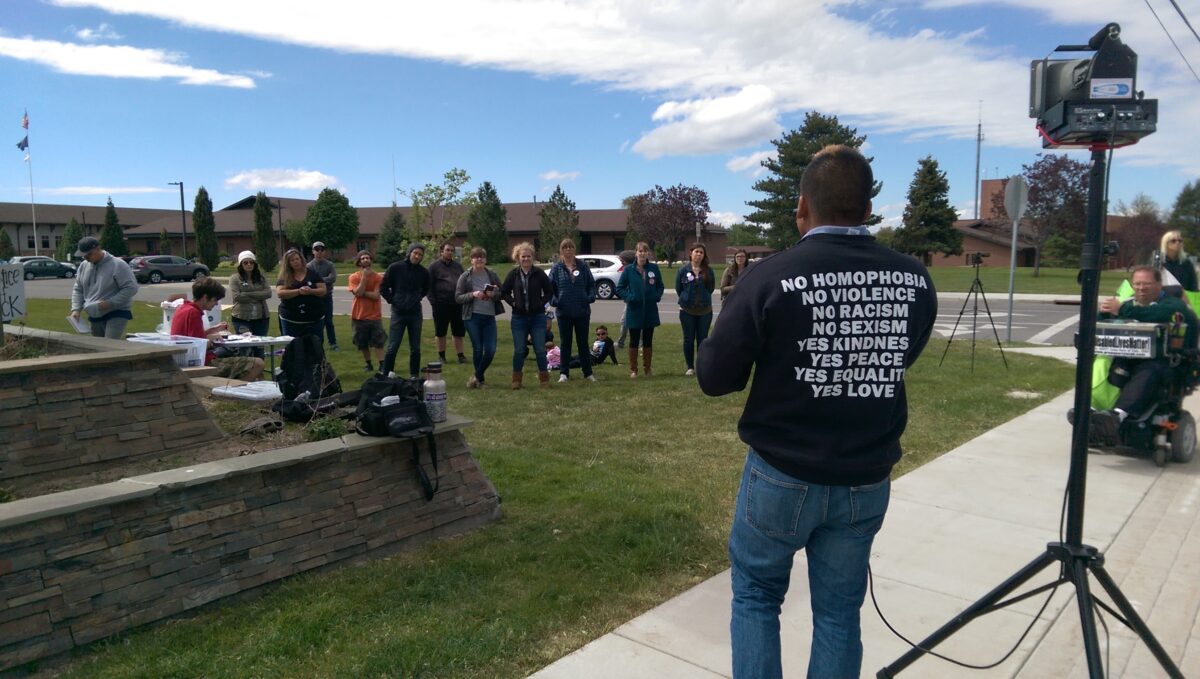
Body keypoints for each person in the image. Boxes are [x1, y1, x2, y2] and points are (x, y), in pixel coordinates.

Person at [696, 145, 937, 679]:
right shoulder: (914, 279)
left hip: (783, 472)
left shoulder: (769, 276)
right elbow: (902, 356)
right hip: (865, 477)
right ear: (868, 208)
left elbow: (715, 378)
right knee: (838, 613)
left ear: (802, 207)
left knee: (757, 597)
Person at [1091, 266, 1198, 443]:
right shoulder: (1129, 303)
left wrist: (1121, 310)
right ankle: (1094, 411)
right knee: (1110, 369)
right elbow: (1103, 327)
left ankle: (1117, 416)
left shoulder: (1174, 305)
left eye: (1147, 283)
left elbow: (1156, 314)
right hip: (1130, 356)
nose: (1141, 288)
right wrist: (1104, 313)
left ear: (1159, 284)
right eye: (1137, 283)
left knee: (1148, 372)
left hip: (1167, 361)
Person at [170, 277, 264, 381]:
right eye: (215, 300)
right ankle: (232, 391)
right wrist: (211, 339)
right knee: (258, 364)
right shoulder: (194, 313)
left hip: (186, 361)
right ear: (205, 297)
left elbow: (191, 337)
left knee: (254, 370)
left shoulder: (184, 308)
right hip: (202, 362)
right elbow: (196, 348)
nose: (216, 304)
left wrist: (213, 330)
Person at [501, 242, 555, 389]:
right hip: (519, 318)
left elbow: (549, 291)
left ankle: (544, 379)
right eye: (523, 256)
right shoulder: (513, 274)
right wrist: (513, 303)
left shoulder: (539, 273)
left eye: (528, 256)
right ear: (518, 258)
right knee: (519, 350)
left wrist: (541, 302)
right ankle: (516, 380)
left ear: (532, 257)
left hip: (537, 317)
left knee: (539, 349)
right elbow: (504, 292)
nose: (526, 259)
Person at [69, 236, 138, 339]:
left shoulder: (118, 265)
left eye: (89, 255)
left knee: (110, 344)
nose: (86, 258)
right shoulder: (84, 266)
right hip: (95, 312)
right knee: (99, 346)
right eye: (83, 256)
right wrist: (76, 309)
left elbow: (131, 288)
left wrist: (110, 302)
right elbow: (78, 289)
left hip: (117, 311)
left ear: (98, 249)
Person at [548, 238, 597, 382]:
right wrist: (555, 301)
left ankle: (587, 372)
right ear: (561, 250)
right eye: (565, 247)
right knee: (565, 343)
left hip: (582, 311)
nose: (568, 250)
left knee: (583, 342)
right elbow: (550, 289)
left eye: (570, 247)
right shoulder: (557, 268)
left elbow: (591, 285)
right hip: (564, 312)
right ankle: (564, 373)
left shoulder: (583, 267)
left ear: (574, 249)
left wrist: (589, 297)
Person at [454, 246, 503, 389]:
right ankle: (481, 381)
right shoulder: (465, 276)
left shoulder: (491, 274)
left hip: (489, 317)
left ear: (485, 259)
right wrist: (473, 294)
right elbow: (457, 297)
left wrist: (494, 294)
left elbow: (502, 292)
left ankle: (476, 376)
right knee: (477, 348)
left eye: (482, 256)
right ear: (471, 260)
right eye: (476, 257)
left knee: (491, 349)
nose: (479, 259)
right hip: (472, 317)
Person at [379, 243, 430, 378]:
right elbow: (383, 287)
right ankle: (386, 373)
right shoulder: (395, 268)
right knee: (393, 345)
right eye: (415, 253)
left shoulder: (423, 272)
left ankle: (414, 374)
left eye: (420, 255)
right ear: (409, 253)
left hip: (415, 313)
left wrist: (418, 297)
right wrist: (392, 300)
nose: (417, 256)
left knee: (415, 347)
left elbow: (426, 288)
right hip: (398, 312)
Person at [616, 242, 663, 379]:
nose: (642, 253)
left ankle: (647, 369)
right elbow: (620, 288)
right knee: (634, 340)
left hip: (650, 309)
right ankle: (634, 370)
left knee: (648, 340)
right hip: (634, 310)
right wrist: (630, 297)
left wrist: (656, 296)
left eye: (645, 251)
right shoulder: (629, 270)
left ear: (648, 253)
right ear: (636, 253)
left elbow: (660, 285)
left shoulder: (654, 268)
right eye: (639, 251)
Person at [676, 243, 715, 376]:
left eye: (701, 252)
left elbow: (711, 288)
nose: (699, 254)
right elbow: (679, 289)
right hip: (687, 311)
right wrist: (686, 299)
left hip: (705, 311)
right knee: (688, 339)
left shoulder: (708, 271)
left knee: (703, 339)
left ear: (704, 256)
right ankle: (690, 367)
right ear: (691, 253)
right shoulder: (682, 270)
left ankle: (701, 366)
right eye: (696, 252)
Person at [429, 241, 468, 365]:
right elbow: (429, 287)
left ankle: (460, 356)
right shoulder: (434, 267)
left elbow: (464, 282)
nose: (450, 252)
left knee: (458, 332)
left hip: (457, 304)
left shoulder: (458, 266)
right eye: (448, 250)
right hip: (441, 304)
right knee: (441, 332)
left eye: (452, 250)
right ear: (441, 251)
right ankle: (441, 356)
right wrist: (433, 302)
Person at [347, 250, 386, 373]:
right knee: (362, 342)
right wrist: (364, 277)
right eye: (363, 258)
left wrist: (361, 292)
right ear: (359, 262)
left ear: (371, 260)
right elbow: (357, 292)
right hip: (358, 315)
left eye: (368, 258)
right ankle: (368, 364)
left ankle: (382, 364)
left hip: (374, 315)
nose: (365, 260)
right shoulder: (354, 277)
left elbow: (375, 295)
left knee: (379, 342)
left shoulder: (378, 277)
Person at [228, 250, 272, 358]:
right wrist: (258, 295)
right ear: (240, 264)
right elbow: (237, 297)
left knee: (259, 350)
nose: (248, 265)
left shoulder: (261, 277)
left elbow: (268, 293)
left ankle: (259, 373)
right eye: (245, 262)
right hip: (241, 318)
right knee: (245, 350)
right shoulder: (235, 278)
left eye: (251, 262)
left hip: (261, 318)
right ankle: (247, 373)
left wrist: (247, 294)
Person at [276, 248, 326, 339]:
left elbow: (323, 290)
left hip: (314, 318)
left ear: (301, 259)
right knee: (292, 346)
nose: (295, 262)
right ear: (288, 263)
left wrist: (311, 291)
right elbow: (280, 293)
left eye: (297, 259)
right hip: (290, 319)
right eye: (292, 260)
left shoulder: (313, 274)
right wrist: (298, 291)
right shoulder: (284, 277)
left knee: (315, 346)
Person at [307, 241, 339, 350]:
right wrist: (322, 280)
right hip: (314, 297)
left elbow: (333, 278)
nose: (319, 252)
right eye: (317, 250)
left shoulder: (329, 264)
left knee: (329, 321)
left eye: (322, 250)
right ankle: (316, 342)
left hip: (327, 296)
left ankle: (333, 343)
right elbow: (308, 281)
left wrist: (318, 280)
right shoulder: (309, 266)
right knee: (316, 321)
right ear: (313, 251)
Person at [615, 249, 635, 349]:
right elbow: (621, 287)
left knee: (629, 322)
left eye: (622, 260)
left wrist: (629, 297)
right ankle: (621, 342)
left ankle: (621, 343)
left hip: (634, 301)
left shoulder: (633, 270)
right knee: (625, 322)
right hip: (629, 301)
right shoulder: (626, 269)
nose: (621, 262)